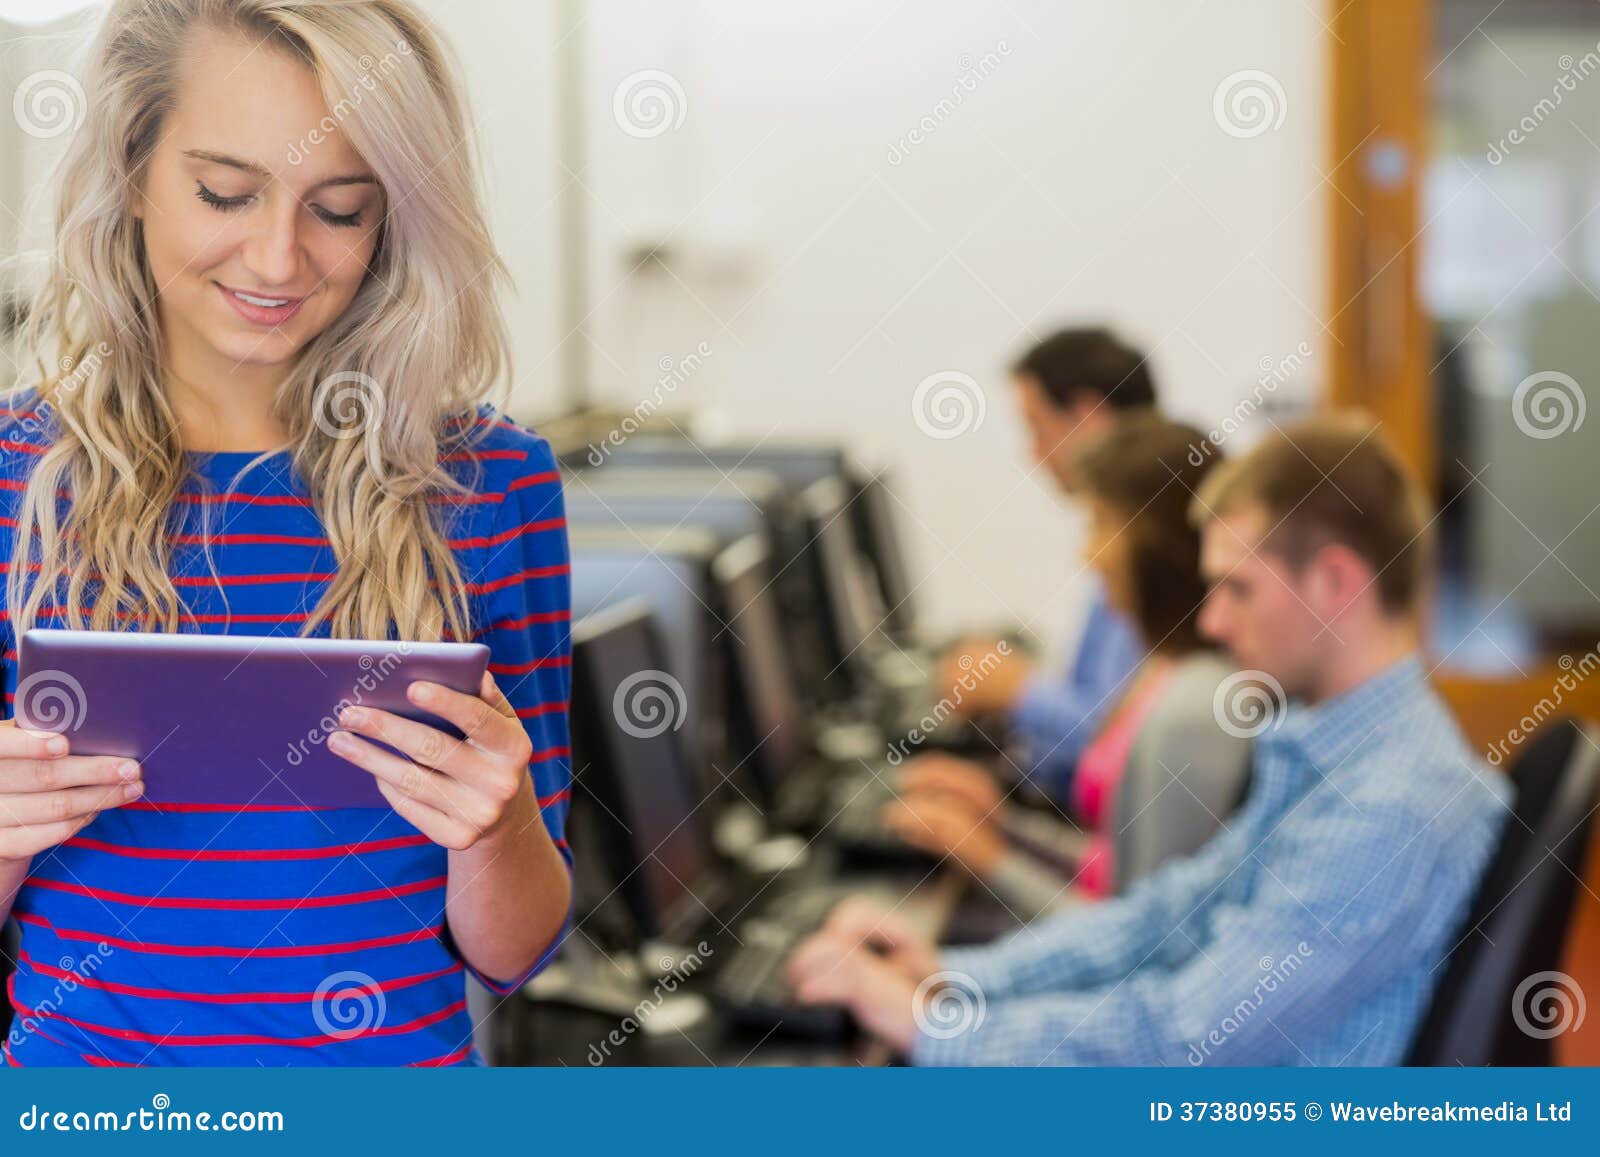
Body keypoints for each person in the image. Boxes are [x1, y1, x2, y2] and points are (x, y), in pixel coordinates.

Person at [0, 0, 571, 1066]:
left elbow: (517, 947)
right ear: (133, 169)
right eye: (224, 192)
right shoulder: (16, 475)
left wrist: (498, 825)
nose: (277, 259)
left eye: (342, 210)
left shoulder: (490, 483)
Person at [787, 415, 1512, 1065]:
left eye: (1237, 589)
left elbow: (1188, 1036)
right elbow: (1170, 918)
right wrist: (954, 980)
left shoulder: (1391, 806)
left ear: (1334, 582)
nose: (1215, 623)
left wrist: (933, 1028)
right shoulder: (1329, 748)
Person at [883, 413, 1251, 918]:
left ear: (1156, 545)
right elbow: (1111, 867)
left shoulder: (1195, 709)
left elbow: (1140, 941)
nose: (1089, 554)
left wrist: (993, 863)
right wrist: (1002, 826)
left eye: (1101, 525)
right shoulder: (1164, 669)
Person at [931, 328, 1155, 803]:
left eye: (1037, 427)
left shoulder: (1154, 542)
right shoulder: (1129, 528)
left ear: (1088, 417)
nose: (1033, 453)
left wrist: (1017, 691)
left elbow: (1125, 742)